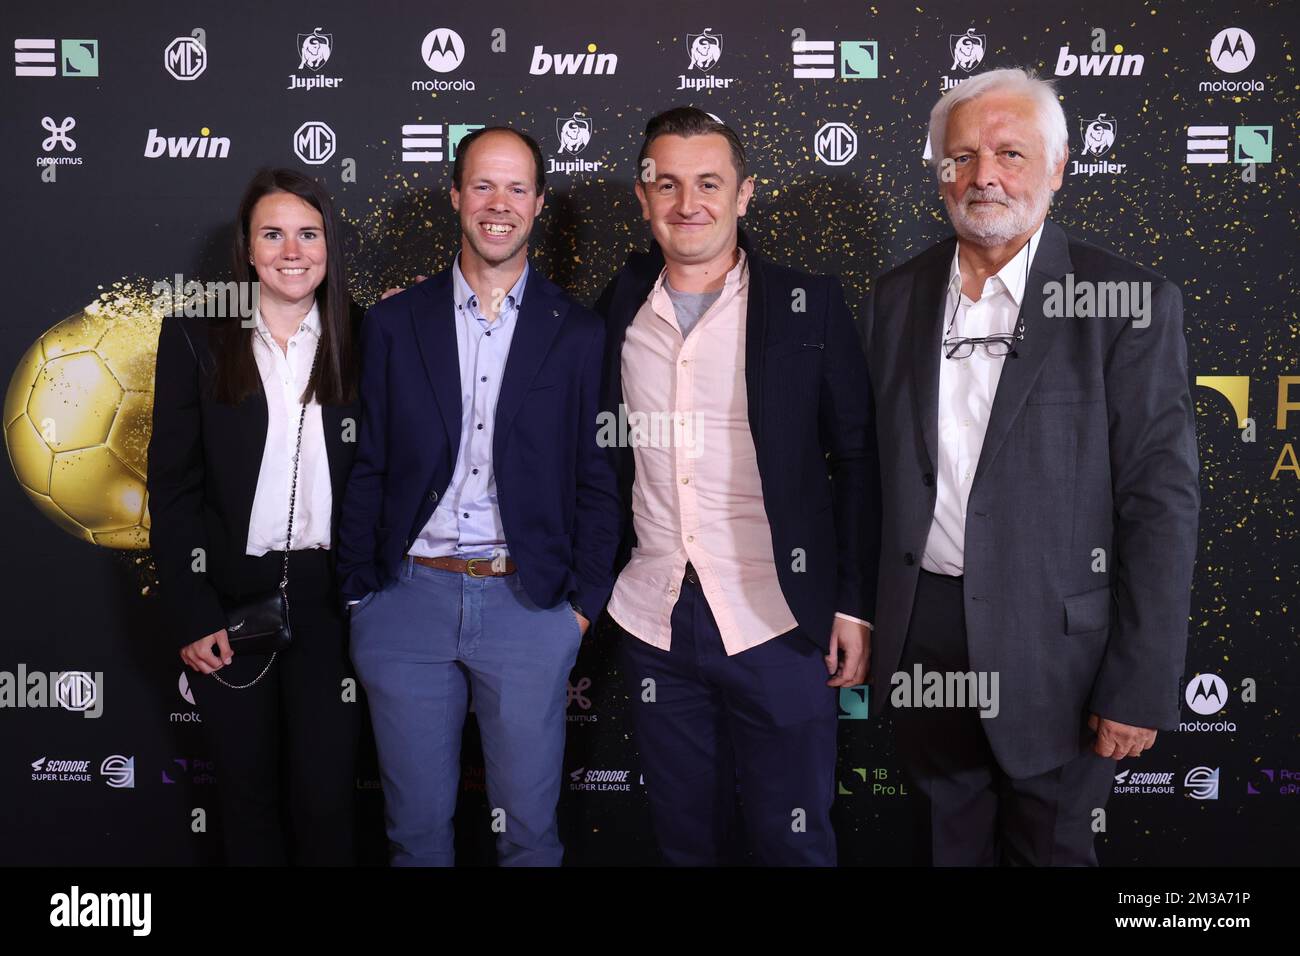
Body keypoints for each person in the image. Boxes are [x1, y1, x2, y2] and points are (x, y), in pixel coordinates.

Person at [863, 68, 1199, 865]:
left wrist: (1139, 685)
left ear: (1058, 165)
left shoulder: (1125, 301)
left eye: (1011, 153)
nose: (984, 176)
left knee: (1049, 853)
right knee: (943, 850)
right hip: (927, 641)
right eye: (963, 157)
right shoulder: (897, 296)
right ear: (939, 170)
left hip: (1062, 658)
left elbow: (1161, 503)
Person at [594, 107, 879, 866]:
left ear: (745, 194)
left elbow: (856, 460)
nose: (689, 203)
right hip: (655, 619)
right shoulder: (615, 307)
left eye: (709, 183)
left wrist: (851, 600)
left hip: (780, 620)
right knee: (686, 842)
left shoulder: (806, 303)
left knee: (794, 842)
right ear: (643, 196)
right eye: (669, 184)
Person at [336, 126, 621, 867]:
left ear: (539, 203)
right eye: (484, 186)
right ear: (457, 196)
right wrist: (362, 595)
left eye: (517, 187)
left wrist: (578, 608)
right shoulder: (396, 321)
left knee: (530, 837)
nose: (499, 204)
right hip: (407, 603)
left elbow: (598, 478)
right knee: (417, 838)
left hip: (529, 607)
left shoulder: (581, 332)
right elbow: (369, 463)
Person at [148, 167, 362, 865]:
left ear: (329, 245)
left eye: (308, 233)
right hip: (231, 604)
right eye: (272, 234)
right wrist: (191, 609)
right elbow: (172, 487)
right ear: (246, 247)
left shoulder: (365, 336)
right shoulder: (195, 338)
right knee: (244, 799)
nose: (291, 250)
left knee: (328, 800)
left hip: (336, 603)